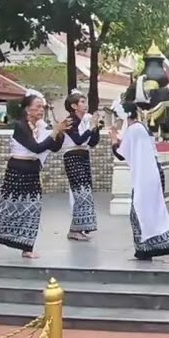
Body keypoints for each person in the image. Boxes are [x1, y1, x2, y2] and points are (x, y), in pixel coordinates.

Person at [0, 90, 67, 259]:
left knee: (32, 209)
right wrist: (55, 132)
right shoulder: (20, 126)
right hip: (17, 170)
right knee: (7, 208)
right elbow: (36, 148)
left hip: (32, 171)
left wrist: (59, 133)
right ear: (28, 109)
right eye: (38, 107)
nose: (41, 110)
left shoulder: (42, 127)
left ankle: (27, 247)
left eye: (43, 107)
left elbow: (53, 147)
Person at [110, 77, 169, 263]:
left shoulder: (135, 130)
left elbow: (121, 154)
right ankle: (144, 251)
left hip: (146, 177)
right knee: (142, 213)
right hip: (149, 175)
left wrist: (113, 139)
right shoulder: (140, 128)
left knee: (146, 212)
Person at [60, 90, 101, 241]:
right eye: (82, 102)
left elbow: (92, 142)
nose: (85, 105)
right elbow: (77, 140)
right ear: (74, 106)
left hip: (83, 155)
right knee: (80, 192)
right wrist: (90, 128)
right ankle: (75, 229)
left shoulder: (85, 121)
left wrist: (95, 127)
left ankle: (77, 228)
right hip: (72, 156)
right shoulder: (70, 121)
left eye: (85, 101)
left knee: (86, 192)